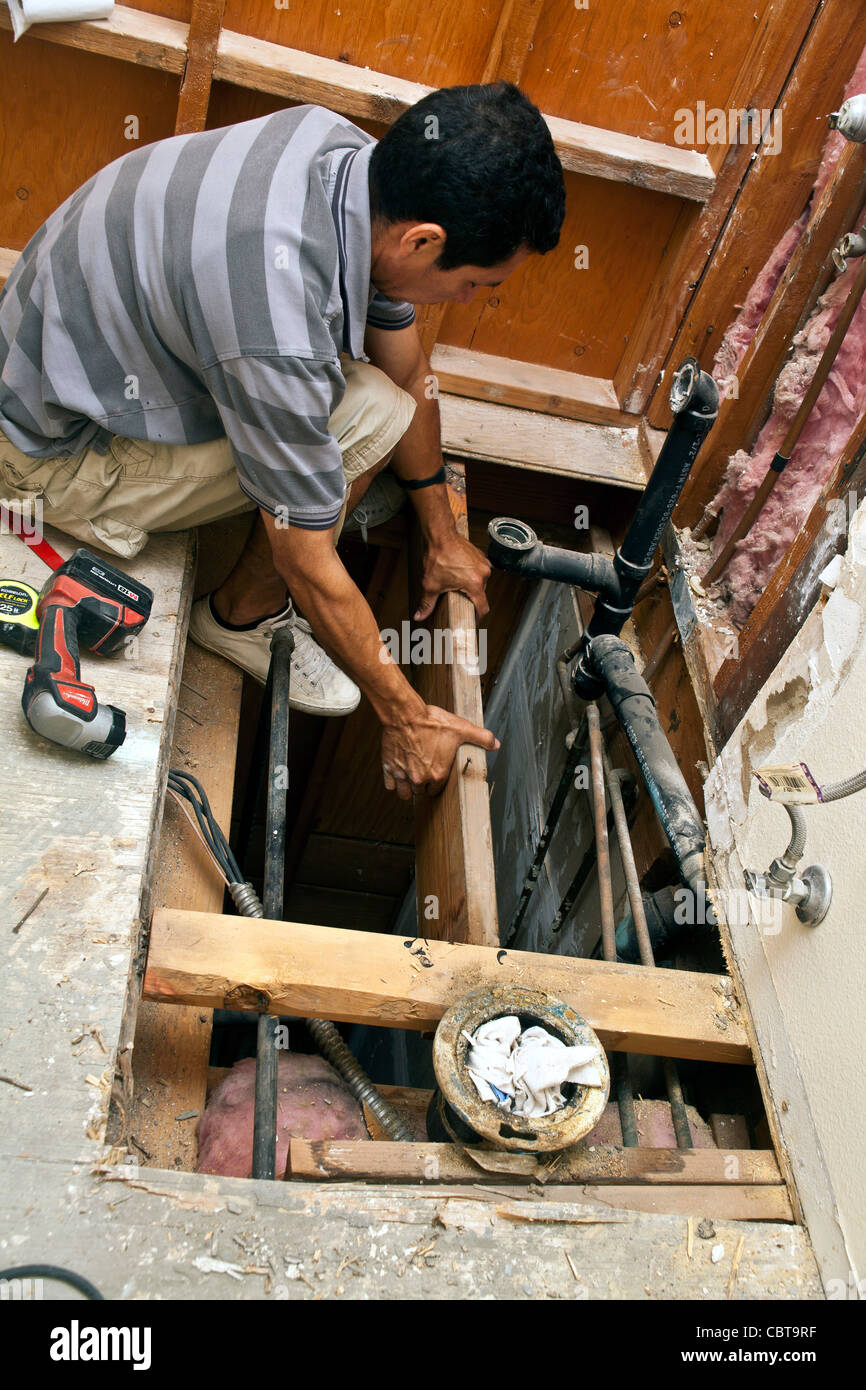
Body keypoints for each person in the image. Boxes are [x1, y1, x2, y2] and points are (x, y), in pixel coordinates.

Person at [0, 82, 565, 797]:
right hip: (46, 457)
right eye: (476, 285)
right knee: (368, 418)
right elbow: (303, 555)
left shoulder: (341, 157)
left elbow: (408, 366)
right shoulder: (274, 314)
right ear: (423, 241)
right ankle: (241, 618)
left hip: (60, 368)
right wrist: (406, 714)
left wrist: (444, 533)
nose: (467, 302)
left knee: (373, 400)